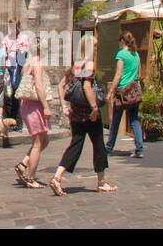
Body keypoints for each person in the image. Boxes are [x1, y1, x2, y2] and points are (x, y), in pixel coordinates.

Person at [49, 52, 115, 196]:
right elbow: (86, 87)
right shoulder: (89, 64)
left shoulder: (76, 65)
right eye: (95, 46)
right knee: (98, 145)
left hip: (76, 113)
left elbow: (61, 85)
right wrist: (95, 108)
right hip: (89, 114)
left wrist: (64, 106)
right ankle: (101, 182)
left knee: (76, 144)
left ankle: (57, 176)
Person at [14, 35, 51, 188]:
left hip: (27, 105)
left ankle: (24, 164)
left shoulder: (27, 63)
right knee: (37, 144)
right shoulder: (37, 63)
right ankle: (30, 177)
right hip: (35, 106)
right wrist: (46, 106)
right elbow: (38, 86)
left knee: (45, 140)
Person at [105, 32, 144, 159]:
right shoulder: (136, 54)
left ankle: (109, 148)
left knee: (116, 121)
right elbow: (139, 74)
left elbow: (118, 74)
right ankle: (139, 150)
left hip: (122, 92)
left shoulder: (121, 54)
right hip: (133, 91)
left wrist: (111, 91)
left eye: (119, 41)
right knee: (134, 120)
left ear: (122, 41)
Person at [3, 18, 29, 130]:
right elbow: (3, 53)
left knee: (17, 95)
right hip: (9, 67)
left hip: (19, 68)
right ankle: (9, 121)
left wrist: (19, 49)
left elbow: (24, 52)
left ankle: (18, 122)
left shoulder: (24, 37)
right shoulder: (7, 38)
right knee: (8, 95)